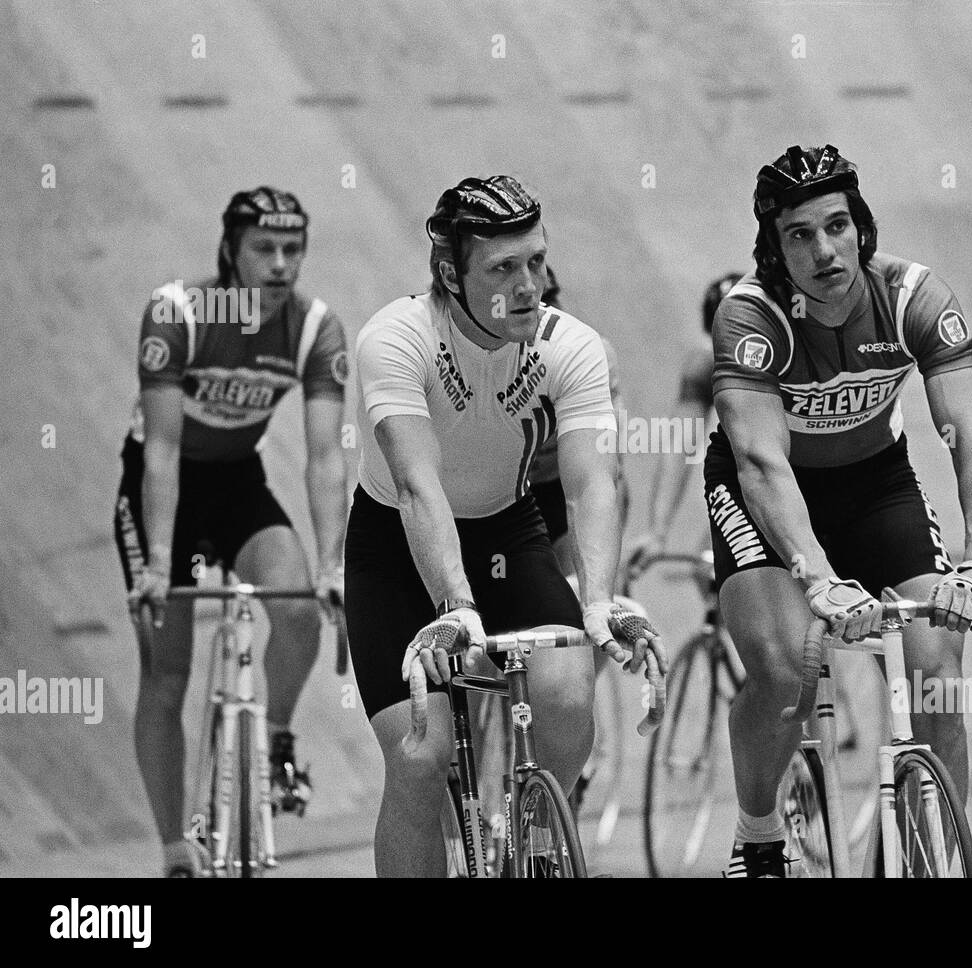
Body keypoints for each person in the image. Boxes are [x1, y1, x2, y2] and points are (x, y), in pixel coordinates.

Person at [343, 175, 663, 877]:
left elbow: (590, 483)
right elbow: (416, 485)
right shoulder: (395, 339)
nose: (528, 286)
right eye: (503, 269)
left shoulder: (570, 345)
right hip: (396, 545)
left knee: (567, 693)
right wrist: (456, 606)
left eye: (537, 262)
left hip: (507, 531)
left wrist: (600, 599)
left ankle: (534, 844)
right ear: (450, 273)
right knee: (420, 758)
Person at [706, 145, 972, 877]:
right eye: (799, 234)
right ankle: (758, 833)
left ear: (861, 228)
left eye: (837, 226)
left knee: (937, 662)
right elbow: (760, 464)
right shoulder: (753, 316)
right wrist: (815, 575)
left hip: (877, 486)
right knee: (785, 673)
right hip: (769, 493)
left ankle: (935, 856)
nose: (823, 249)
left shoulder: (914, 297)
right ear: (775, 249)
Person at [115, 186, 350, 876]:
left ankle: (272, 739)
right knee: (167, 673)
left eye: (293, 250)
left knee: (300, 608)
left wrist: (332, 562)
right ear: (230, 251)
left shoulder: (313, 329)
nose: (282, 265)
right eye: (265, 250)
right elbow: (159, 452)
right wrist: (160, 561)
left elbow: (325, 456)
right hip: (165, 488)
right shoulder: (178, 315)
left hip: (237, 485)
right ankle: (174, 850)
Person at [627, 272, 744, 571]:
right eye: (721, 341)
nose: (731, 353)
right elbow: (680, 444)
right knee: (710, 566)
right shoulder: (706, 364)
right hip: (750, 487)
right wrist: (657, 532)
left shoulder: (787, 361)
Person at [527, 266, 629, 572]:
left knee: (585, 582)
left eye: (551, 300)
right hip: (511, 491)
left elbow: (610, 458)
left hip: (565, 484)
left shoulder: (592, 352)